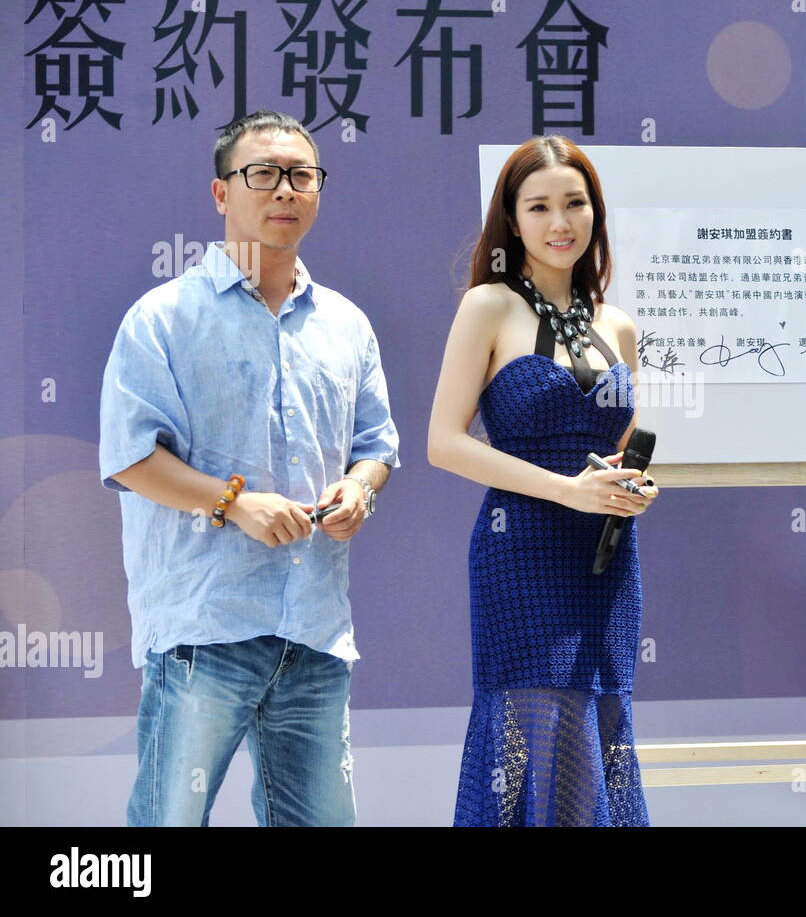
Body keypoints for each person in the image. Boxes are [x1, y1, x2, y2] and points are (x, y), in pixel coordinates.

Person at [99, 109, 400, 826]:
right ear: (220, 193)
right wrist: (235, 502)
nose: (284, 191)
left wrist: (360, 489)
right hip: (206, 627)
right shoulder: (163, 317)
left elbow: (377, 445)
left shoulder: (345, 324)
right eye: (262, 174)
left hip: (316, 629)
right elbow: (132, 458)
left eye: (302, 176)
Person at [427, 135, 659, 826]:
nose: (561, 223)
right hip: (520, 550)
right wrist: (565, 491)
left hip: (608, 560)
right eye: (540, 207)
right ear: (512, 219)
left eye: (575, 203)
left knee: (598, 723)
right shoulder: (488, 307)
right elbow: (442, 443)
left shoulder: (617, 326)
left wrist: (636, 488)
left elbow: (622, 449)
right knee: (529, 730)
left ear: (596, 213)